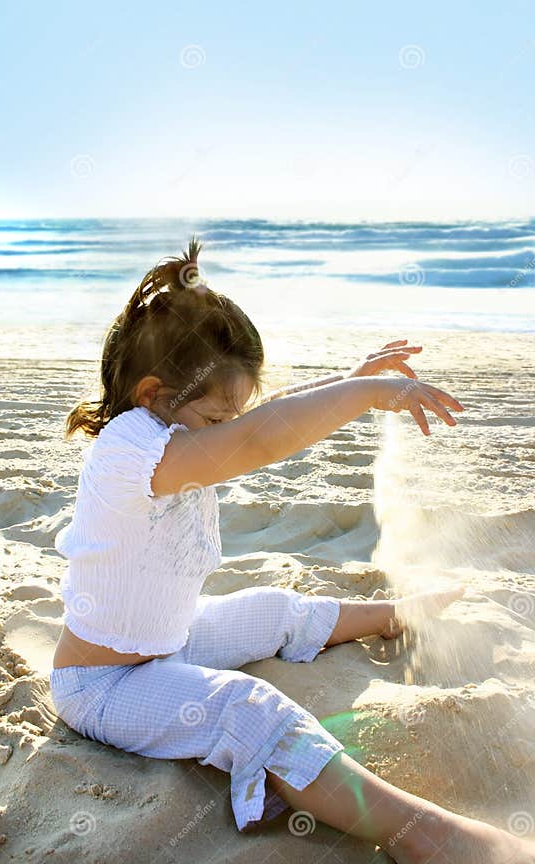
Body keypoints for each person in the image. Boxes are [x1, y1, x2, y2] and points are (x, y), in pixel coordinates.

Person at [50, 238, 534, 862]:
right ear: (152, 395)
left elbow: (264, 417)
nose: (228, 429)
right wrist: (366, 395)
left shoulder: (173, 429)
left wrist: (346, 380)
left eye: (232, 417)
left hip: (169, 641)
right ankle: (425, 834)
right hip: (104, 684)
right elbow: (258, 439)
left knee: (274, 609)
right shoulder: (126, 448)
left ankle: (392, 615)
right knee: (246, 706)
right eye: (218, 420)